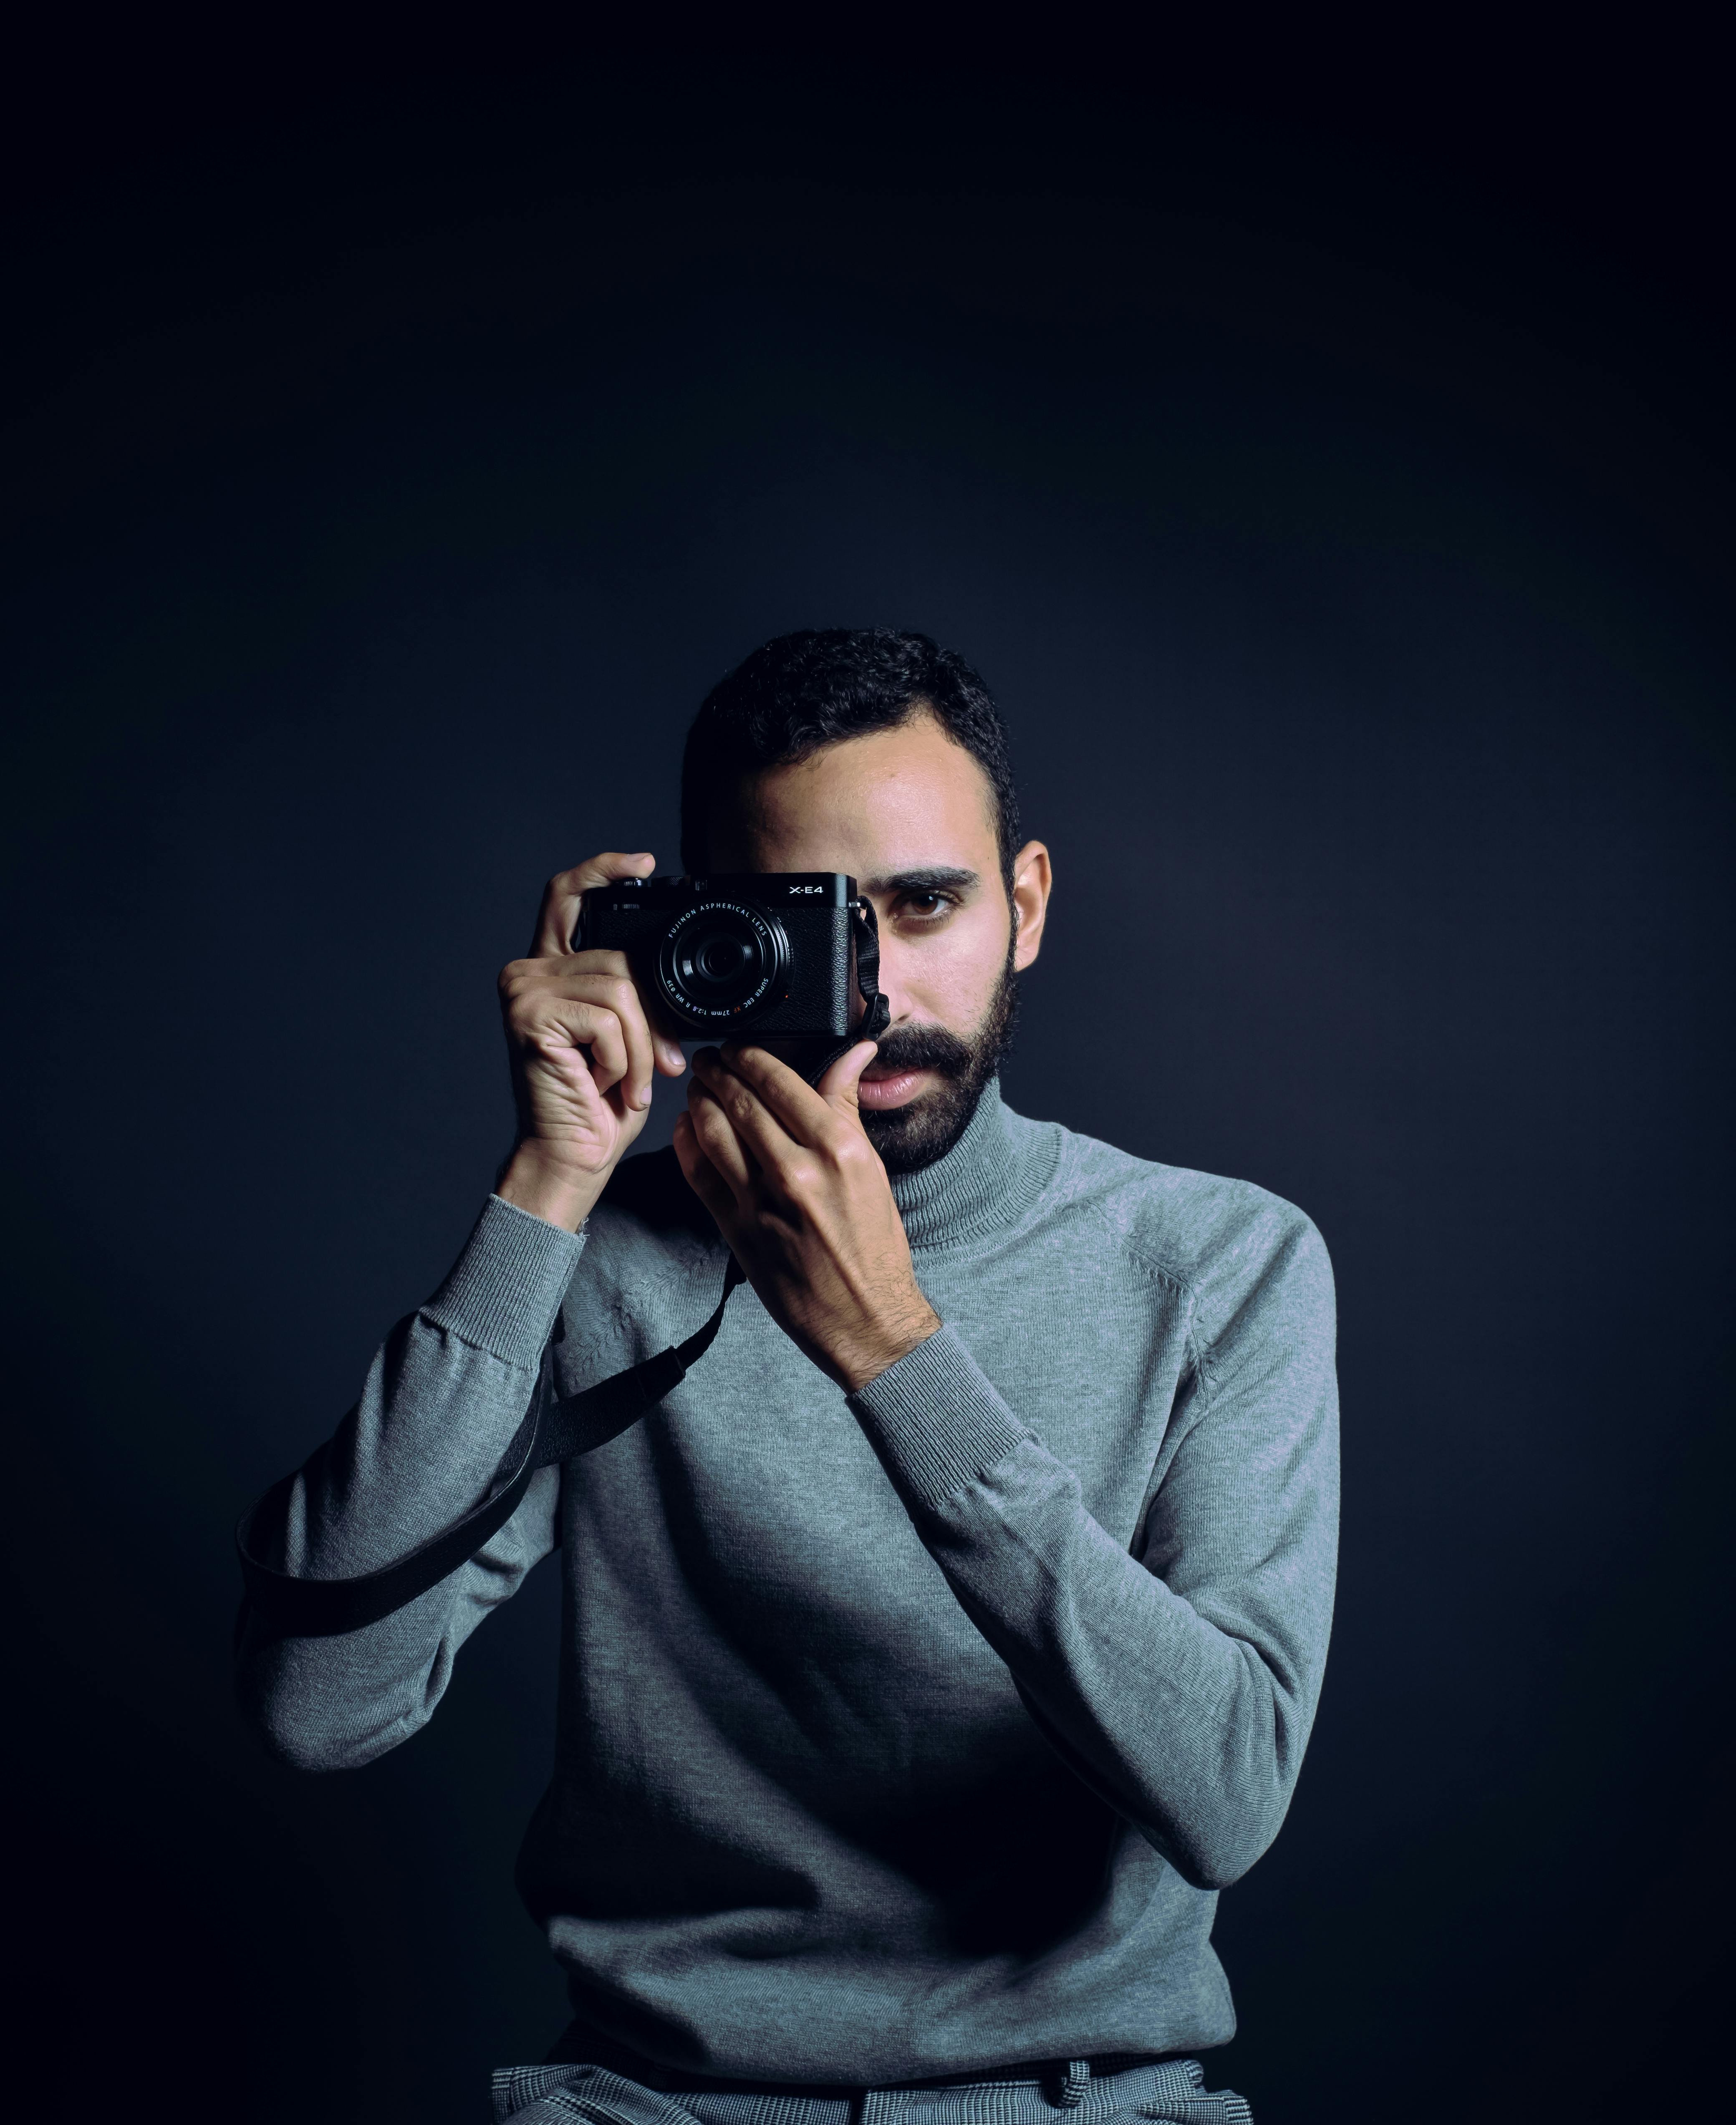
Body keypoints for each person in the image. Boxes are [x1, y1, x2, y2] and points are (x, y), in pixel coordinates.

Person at [237, 629, 1339, 2125]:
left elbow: (1227, 1798)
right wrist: (551, 1188)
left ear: (1023, 908)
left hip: (1082, 2107)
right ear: (693, 929)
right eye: (808, 921)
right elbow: (320, 1704)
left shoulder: (1224, 1261)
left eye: (927, 903)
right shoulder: (610, 1258)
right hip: (664, 2104)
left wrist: (896, 1358)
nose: (874, 989)